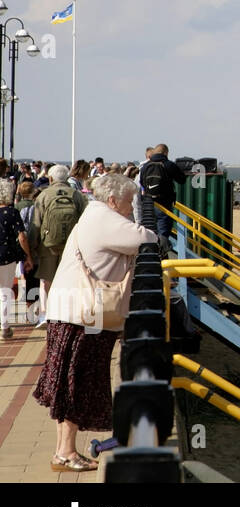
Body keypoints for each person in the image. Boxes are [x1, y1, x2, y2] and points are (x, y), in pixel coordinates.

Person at [34, 173, 156, 472]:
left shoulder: (95, 215)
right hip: (83, 314)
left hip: (74, 311)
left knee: (70, 383)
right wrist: (147, 226)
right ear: (112, 199)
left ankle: (65, 452)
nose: (131, 208)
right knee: (77, 382)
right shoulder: (104, 218)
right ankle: (64, 453)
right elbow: (144, 238)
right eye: (128, 202)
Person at [28, 164, 89, 326]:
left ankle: (45, 314)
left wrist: (32, 247)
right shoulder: (76, 195)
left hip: (48, 245)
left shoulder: (44, 195)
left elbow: (36, 223)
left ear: (51, 178)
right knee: (71, 279)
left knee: (45, 280)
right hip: (71, 244)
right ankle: (69, 313)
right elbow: (85, 221)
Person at [0, 180, 33, 340]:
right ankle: (4, 327)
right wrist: (28, 256)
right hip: (6, 256)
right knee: (5, 291)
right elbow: (21, 236)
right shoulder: (12, 212)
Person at [138, 145, 185, 249]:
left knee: (150, 228)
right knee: (163, 228)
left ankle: (150, 251)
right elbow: (182, 180)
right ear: (166, 153)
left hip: (148, 203)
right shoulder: (169, 165)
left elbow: (141, 182)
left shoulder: (146, 166)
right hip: (164, 202)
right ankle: (162, 252)